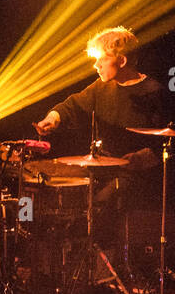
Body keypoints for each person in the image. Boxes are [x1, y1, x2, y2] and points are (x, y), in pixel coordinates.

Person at [33, 26, 163, 245]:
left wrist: (143, 157)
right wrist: (53, 118)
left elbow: (165, 142)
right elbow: (72, 105)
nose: (96, 66)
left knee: (99, 207)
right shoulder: (100, 87)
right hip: (102, 170)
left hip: (137, 177)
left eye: (101, 60)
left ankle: (105, 260)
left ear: (121, 61)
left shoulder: (153, 91)